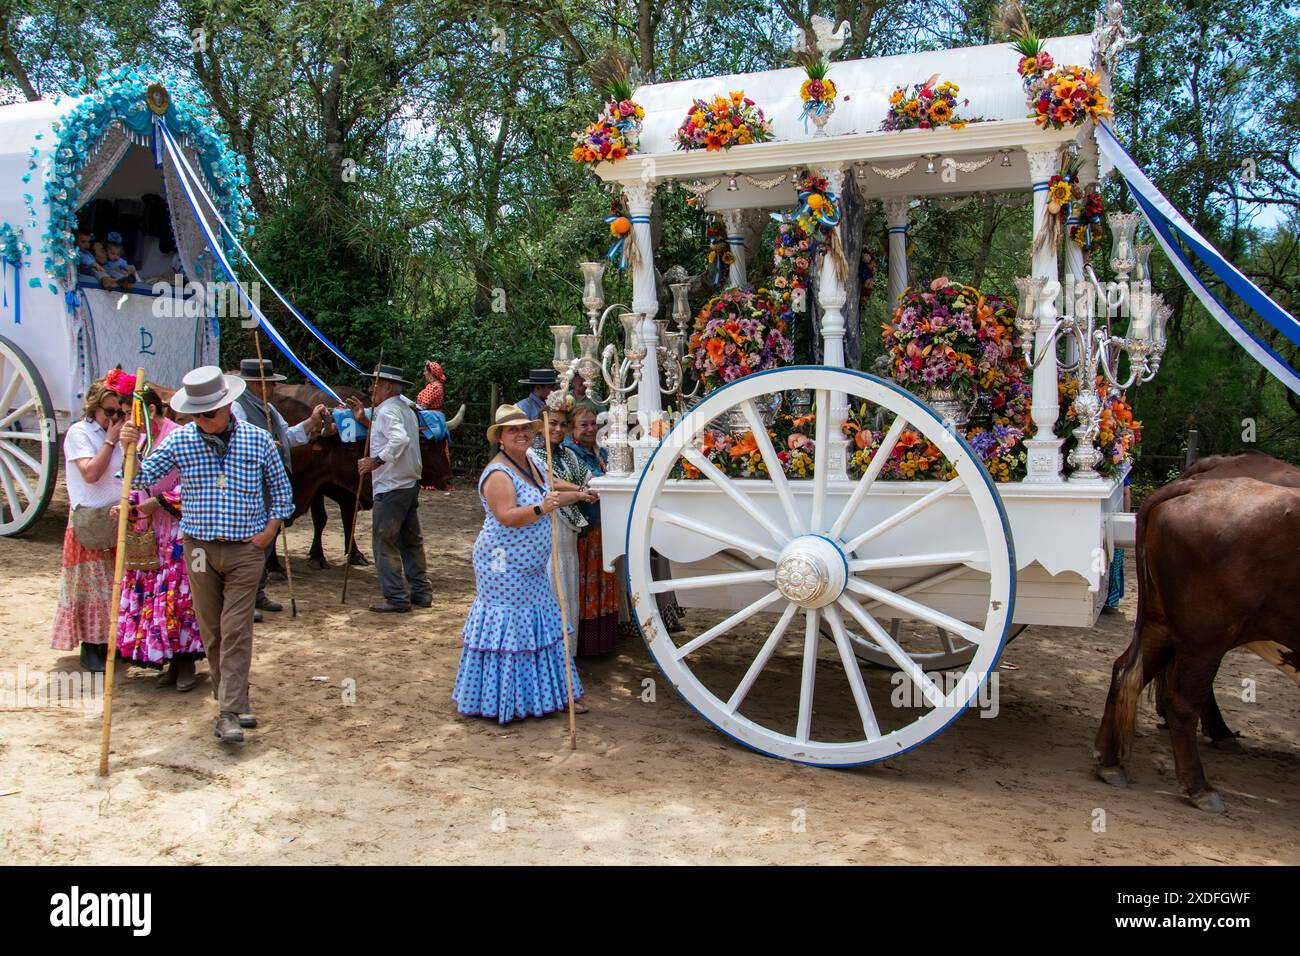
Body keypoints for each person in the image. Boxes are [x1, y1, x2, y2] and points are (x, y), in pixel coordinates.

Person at [122, 366, 294, 745]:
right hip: (198, 549)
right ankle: (234, 698)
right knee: (211, 629)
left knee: (235, 626)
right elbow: (140, 478)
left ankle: (228, 712)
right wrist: (128, 448)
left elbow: (282, 493)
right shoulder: (182, 441)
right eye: (196, 414)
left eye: (208, 413)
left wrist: (268, 533)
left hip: (246, 550)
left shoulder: (259, 440)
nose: (202, 420)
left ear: (227, 405)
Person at [453, 405, 592, 723]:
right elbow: (507, 516)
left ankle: (551, 696)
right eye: (512, 430)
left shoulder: (534, 462)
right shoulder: (499, 473)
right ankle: (505, 701)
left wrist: (582, 495)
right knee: (511, 630)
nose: (521, 434)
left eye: (525, 429)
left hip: (531, 566)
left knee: (542, 626)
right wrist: (542, 509)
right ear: (500, 437)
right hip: (502, 565)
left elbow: (552, 493)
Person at [112, 384, 204, 690]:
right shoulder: (137, 442)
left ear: (150, 410)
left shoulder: (178, 436)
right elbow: (133, 482)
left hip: (178, 531)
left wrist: (158, 502)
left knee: (178, 598)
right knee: (154, 596)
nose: (127, 420)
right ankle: (169, 661)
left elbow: (194, 484)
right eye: (124, 414)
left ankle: (186, 662)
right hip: (150, 532)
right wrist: (129, 506)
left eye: (130, 413)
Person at [230, 357, 327, 617]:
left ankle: (257, 593)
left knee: (265, 540)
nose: (271, 389)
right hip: (248, 485)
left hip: (269, 483)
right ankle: (244, 600)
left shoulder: (270, 410)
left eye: (271, 384)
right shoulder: (237, 409)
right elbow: (235, 441)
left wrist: (311, 422)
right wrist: (260, 446)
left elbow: (289, 436)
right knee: (248, 544)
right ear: (252, 384)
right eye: (266, 384)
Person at [50, 370, 131, 672]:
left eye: (118, 411)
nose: (114, 417)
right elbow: (91, 474)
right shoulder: (79, 433)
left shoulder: (120, 431)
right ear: (94, 408)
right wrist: (110, 441)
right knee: (91, 588)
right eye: (109, 411)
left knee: (115, 585)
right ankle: (91, 645)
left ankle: (113, 641)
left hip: (115, 516)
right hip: (89, 519)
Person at [345, 364, 432, 613]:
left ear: (387, 387)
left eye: (376, 384)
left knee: (384, 541)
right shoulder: (404, 409)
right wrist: (363, 419)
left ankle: (396, 597)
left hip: (392, 484)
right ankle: (421, 591)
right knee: (410, 539)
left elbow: (399, 439)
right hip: (408, 483)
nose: (372, 388)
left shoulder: (387, 412)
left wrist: (376, 461)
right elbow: (393, 434)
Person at [526, 399, 594, 641]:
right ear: (539, 426)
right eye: (552, 423)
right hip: (546, 525)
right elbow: (548, 481)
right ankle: (550, 647)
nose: (558, 429)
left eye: (563, 425)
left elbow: (589, 478)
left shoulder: (568, 455)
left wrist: (597, 487)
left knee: (566, 584)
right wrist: (580, 491)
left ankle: (568, 650)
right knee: (551, 581)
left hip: (569, 527)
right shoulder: (531, 454)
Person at [565, 401, 621, 655]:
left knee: (603, 581)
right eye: (583, 425)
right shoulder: (571, 453)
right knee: (588, 584)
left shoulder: (600, 451)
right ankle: (588, 643)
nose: (590, 429)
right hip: (586, 529)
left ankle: (604, 640)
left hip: (603, 525)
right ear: (570, 429)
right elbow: (591, 486)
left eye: (594, 424)